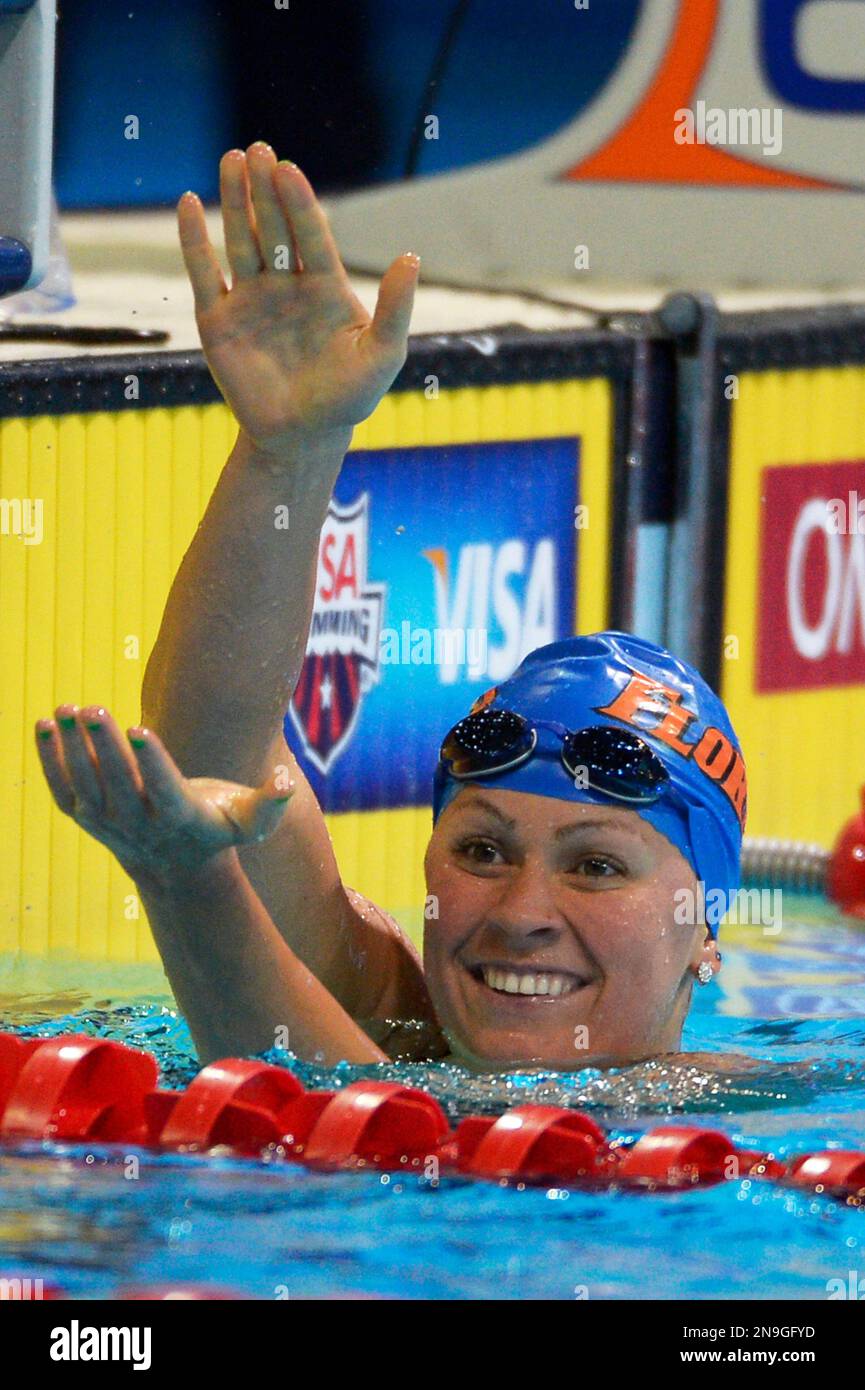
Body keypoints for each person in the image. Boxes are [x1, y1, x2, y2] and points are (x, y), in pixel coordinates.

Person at [34, 144, 747, 1074]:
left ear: (705, 931)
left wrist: (187, 886)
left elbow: (347, 1123)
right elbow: (215, 765)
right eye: (483, 850)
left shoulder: (766, 1139)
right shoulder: (396, 1022)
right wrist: (290, 446)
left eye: (597, 866)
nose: (521, 915)